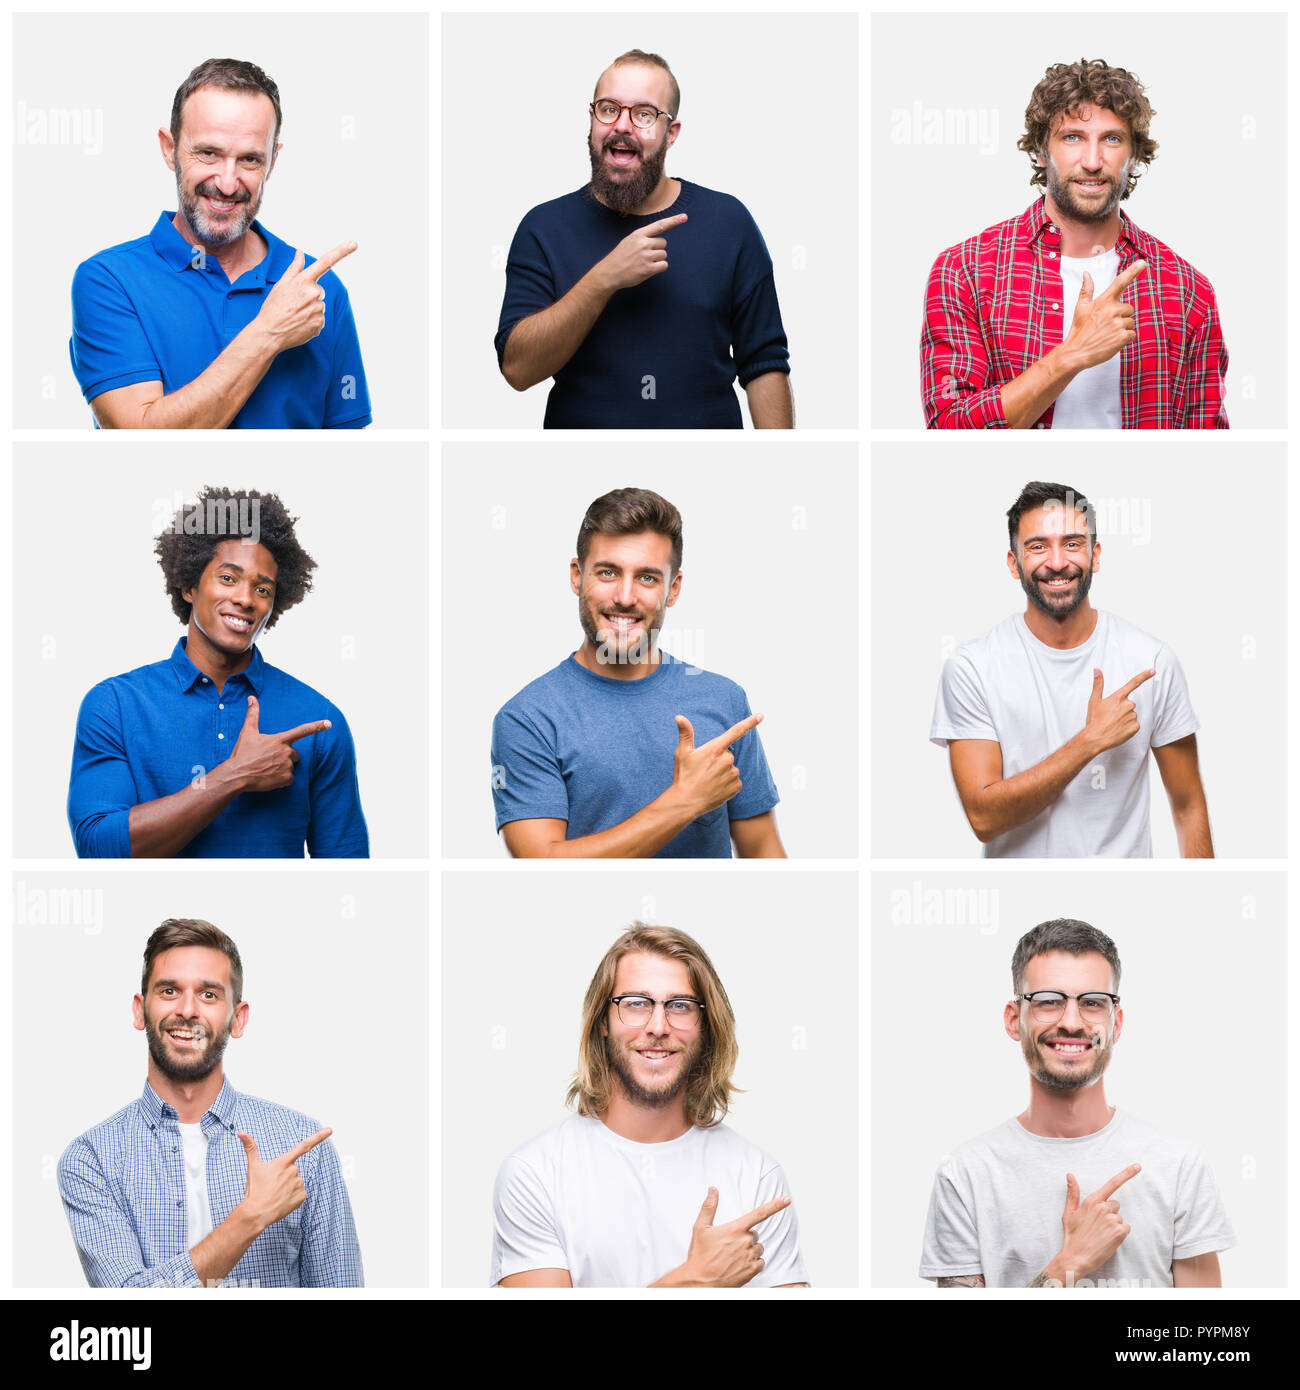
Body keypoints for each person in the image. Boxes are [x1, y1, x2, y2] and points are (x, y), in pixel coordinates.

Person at [920, 918, 1234, 1288]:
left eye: (1092, 1003)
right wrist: (1068, 1265)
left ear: (1115, 1024)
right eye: (1048, 1001)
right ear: (1012, 1019)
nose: (1071, 1021)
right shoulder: (965, 1175)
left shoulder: (1180, 1168)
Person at [492, 924, 808, 1287]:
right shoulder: (535, 1173)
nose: (658, 1026)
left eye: (680, 1006)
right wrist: (694, 1282)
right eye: (636, 1004)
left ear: (706, 1026)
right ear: (603, 1022)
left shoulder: (757, 1177)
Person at [921, 58, 1227, 429]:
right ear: (1040, 150)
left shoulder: (1187, 290)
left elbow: (1208, 450)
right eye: (1072, 138)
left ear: (1132, 157)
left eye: (1111, 139)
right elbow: (949, 428)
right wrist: (1073, 354)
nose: (1093, 161)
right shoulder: (966, 270)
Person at [496, 49, 792, 429]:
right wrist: (604, 279)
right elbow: (518, 371)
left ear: (671, 134)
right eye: (609, 109)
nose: (622, 125)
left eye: (644, 115)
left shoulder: (729, 222)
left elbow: (764, 364)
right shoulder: (542, 227)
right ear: (591, 120)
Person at [58, 919, 363, 1287]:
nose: (188, 1010)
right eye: (169, 991)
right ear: (140, 1010)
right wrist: (250, 1217)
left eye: (209, 995)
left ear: (238, 1018)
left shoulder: (302, 1149)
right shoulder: (92, 1159)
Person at [68, 486, 369, 858]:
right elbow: (99, 848)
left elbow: (347, 871)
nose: (245, 598)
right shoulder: (115, 704)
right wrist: (236, 774)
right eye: (228, 578)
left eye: (262, 588)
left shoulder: (319, 720)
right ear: (189, 585)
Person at [69, 57, 370, 429]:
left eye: (249, 159)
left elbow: (350, 467)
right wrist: (270, 331)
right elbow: (138, 444)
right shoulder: (109, 282)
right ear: (169, 148)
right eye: (208, 153)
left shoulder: (317, 290)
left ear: (272, 162)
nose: (227, 183)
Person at [490, 487, 784, 857]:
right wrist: (685, 801)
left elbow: (764, 853)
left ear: (673, 589)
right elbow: (542, 862)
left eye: (647, 577)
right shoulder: (527, 718)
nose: (626, 597)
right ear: (576, 577)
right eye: (608, 572)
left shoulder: (723, 699)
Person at [930, 480, 1211, 857]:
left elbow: (1187, 806)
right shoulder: (972, 668)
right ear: (1014, 563)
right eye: (1038, 546)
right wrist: (1090, 741)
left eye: (1072, 543)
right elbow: (984, 818)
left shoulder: (1152, 661)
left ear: (1095, 555)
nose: (1058, 562)